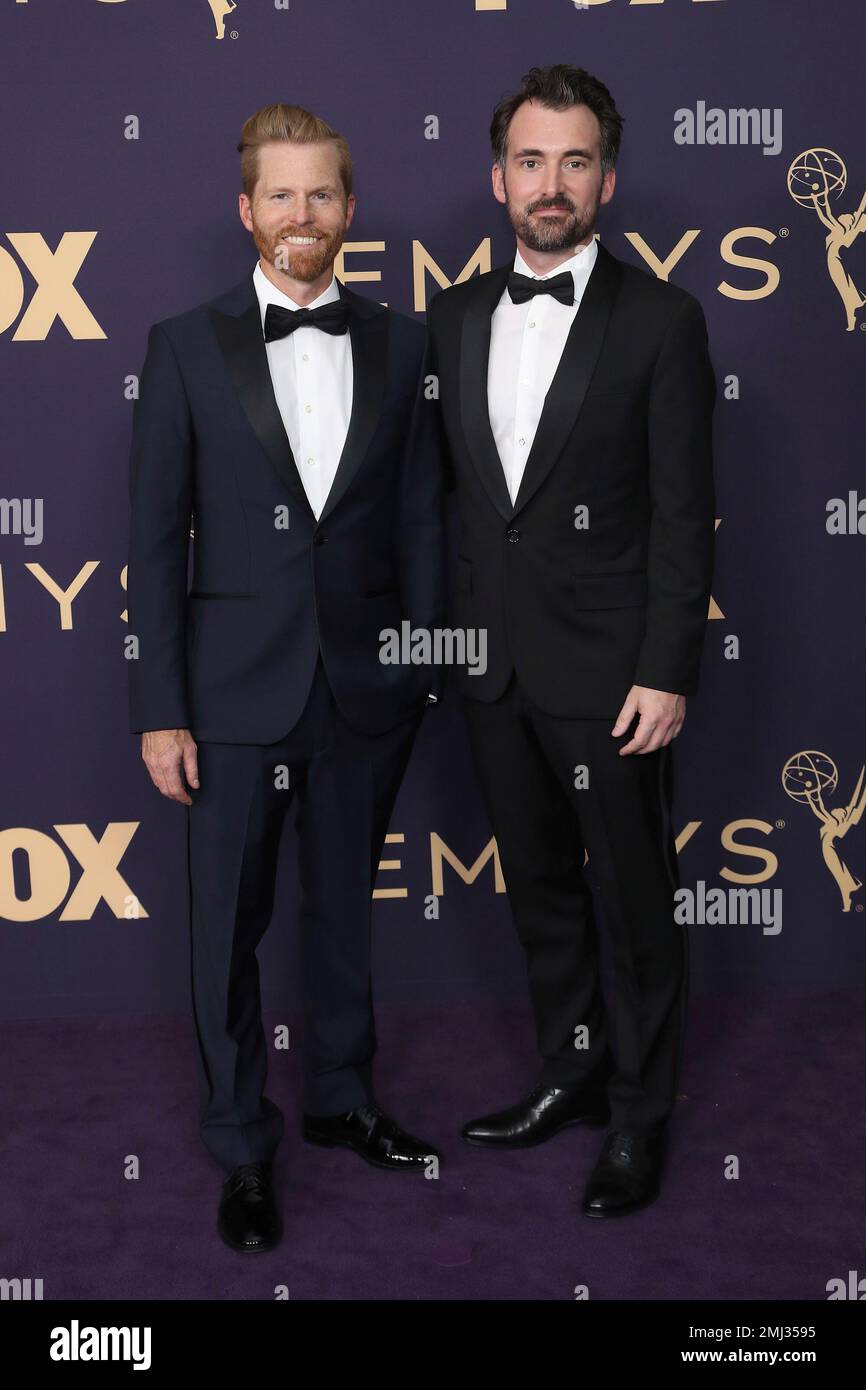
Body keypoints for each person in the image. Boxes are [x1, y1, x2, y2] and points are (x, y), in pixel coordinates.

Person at [127, 104, 445, 1252]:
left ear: (349, 210)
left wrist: (416, 667)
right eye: (280, 194)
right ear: (246, 208)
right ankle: (239, 1144)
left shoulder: (405, 345)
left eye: (322, 195)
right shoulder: (182, 345)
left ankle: (342, 1099)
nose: (300, 216)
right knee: (228, 932)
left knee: (339, 920)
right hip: (228, 698)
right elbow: (156, 544)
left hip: (365, 687)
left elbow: (418, 518)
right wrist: (160, 707)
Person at [427, 65, 716, 1218]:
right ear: (498, 178)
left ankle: (641, 1118)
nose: (553, 186)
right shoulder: (451, 316)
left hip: (610, 679)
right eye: (533, 162)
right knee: (540, 890)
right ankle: (574, 1070)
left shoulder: (661, 319)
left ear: (609, 178)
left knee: (636, 903)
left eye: (576, 161)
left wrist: (665, 668)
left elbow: (683, 512)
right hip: (490, 671)